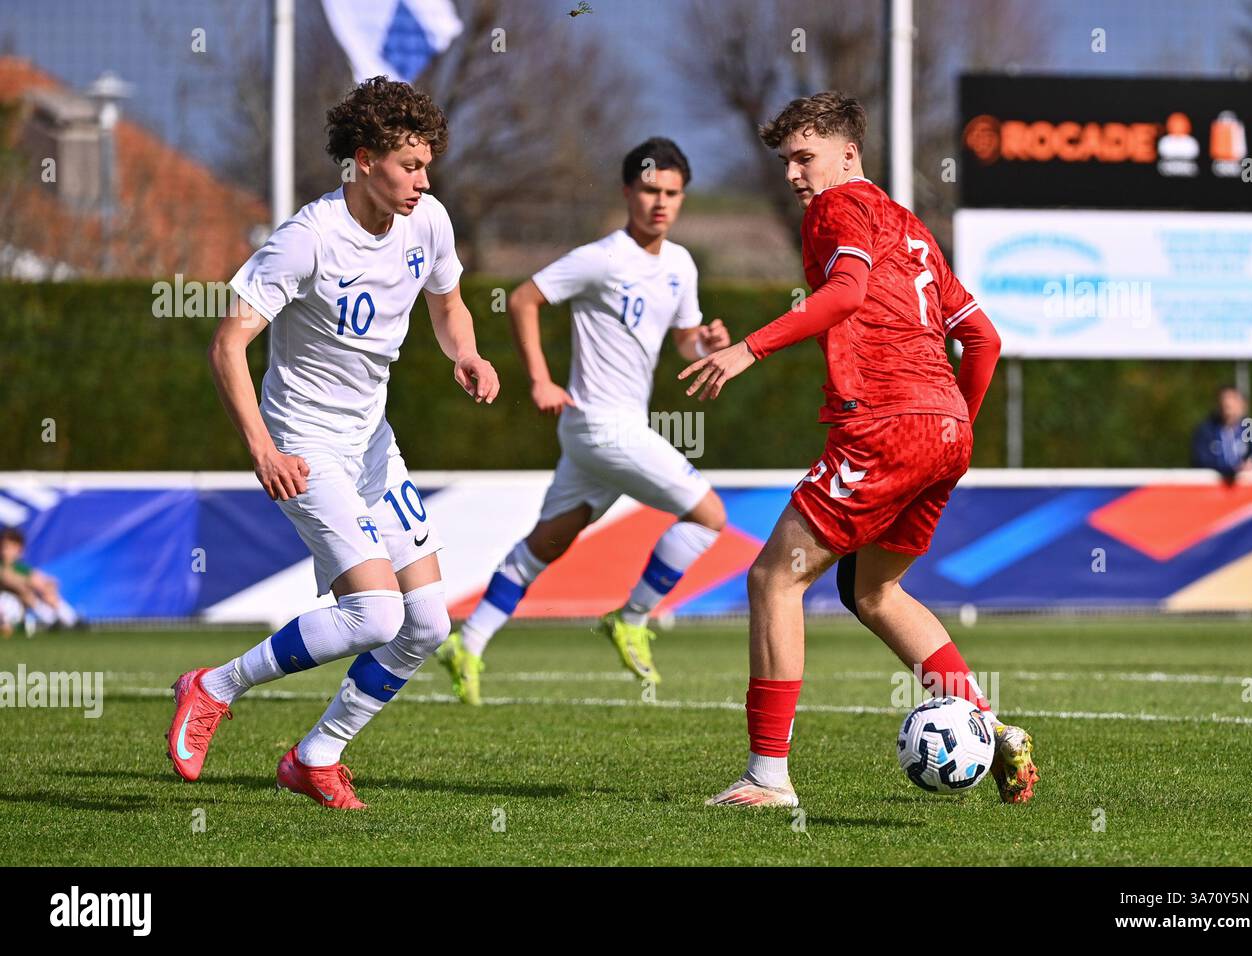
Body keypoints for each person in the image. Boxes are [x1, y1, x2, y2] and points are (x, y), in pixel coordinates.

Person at [679, 91, 1038, 807]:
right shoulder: (913, 230)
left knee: (773, 579)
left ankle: (768, 778)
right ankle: (993, 728)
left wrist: (750, 349)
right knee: (873, 590)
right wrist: (950, 424)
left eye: (804, 157)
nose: (793, 174)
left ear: (848, 154)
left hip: (885, 425)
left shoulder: (836, 209)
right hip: (944, 432)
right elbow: (984, 339)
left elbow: (844, 294)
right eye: (785, 161)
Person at [164, 76, 499, 809]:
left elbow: (449, 308)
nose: (423, 179)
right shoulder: (308, 238)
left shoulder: (429, 222)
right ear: (364, 158)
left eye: (427, 164)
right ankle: (212, 687)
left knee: (428, 623)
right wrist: (262, 449)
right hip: (303, 441)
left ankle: (316, 756)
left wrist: (465, 354)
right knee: (376, 615)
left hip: (371, 444)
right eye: (409, 165)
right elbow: (228, 345)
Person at [437, 138, 731, 704]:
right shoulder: (602, 257)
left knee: (550, 541)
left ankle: (467, 644)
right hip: (601, 424)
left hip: (607, 431)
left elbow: (686, 341)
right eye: (649, 190)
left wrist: (706, 344)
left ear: (682, 197)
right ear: (628, 192)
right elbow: (524, 299)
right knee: (710, 516)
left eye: (671, 193)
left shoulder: (680, 265)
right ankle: (632, 618)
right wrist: (541, 380)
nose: (660, 202)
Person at [0, 527, 81, 637]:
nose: (6, 552)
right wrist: (29, 582)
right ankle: (51, 620)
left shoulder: (22, 568)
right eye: (5, 547)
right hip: (6, 605)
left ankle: (72, 620)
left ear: (20, 550)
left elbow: (41, 580)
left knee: (45, 589)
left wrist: (46, 585)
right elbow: (7, 578)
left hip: (17, 608)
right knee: (24, 591)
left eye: (12, 548)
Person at [1191, 385, 1252, 482]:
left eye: (1233, 405)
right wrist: (1230, 470)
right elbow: (1201, 460)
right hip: (1214, 488)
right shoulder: (1207, 429)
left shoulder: (1248, 427)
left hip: (1244, 487)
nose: (1229, 411)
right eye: (1226, 406)